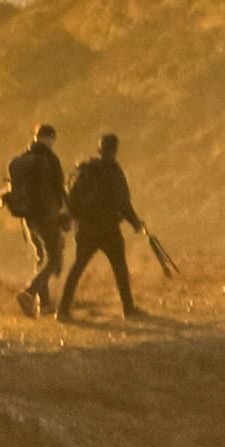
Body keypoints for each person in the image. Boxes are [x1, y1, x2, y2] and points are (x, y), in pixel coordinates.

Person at [59, 132, 155, 320]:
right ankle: (128, 308)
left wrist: (74, 220)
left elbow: (71, 200)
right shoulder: (114, 171)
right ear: (116, 150)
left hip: (85, 228)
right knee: (120, 268)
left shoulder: (85, 170)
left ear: (99, 149)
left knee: (77, 268)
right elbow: (123, 203)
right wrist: (136, 223)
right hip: (109, 229)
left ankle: (62, 310)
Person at [0, 121, 69, 314]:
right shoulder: (50, 159)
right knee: (54, 260)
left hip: (28, 218)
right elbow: (59, 189)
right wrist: (66, 212)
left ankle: (45, 305)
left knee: (41, 257)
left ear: (35, 137)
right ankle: (29, 292)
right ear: (51, 139)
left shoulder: (22, 159)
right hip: (47, 215)